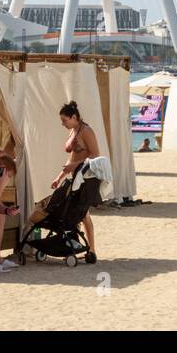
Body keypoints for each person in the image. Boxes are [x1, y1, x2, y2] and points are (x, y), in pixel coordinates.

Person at [53, 101, 99, 263]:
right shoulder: (73, 131)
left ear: (74, 117)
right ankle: (78, 246)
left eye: (65, 120)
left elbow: (95, 155)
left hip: (85, 178)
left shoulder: (86, 131)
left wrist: (74, 165)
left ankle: (91, 249)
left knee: (83, 213)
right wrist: (59, 177)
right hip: (73, 177)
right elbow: (71, 158)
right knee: (75, 212)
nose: (63, 124)